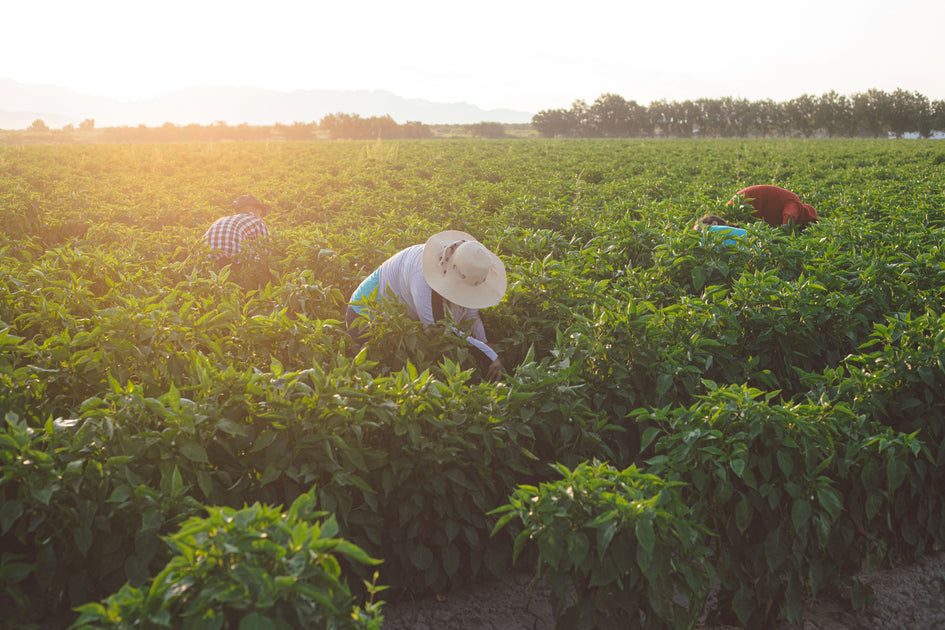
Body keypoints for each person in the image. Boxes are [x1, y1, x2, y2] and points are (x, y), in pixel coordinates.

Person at [347, 230, 507, 381]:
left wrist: (484, 342)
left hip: (401, 314)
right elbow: (437, 329)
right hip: (365, 315)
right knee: (389, 372)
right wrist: (489, 356)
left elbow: (471, 314)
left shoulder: (464, 266)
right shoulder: (423, 280)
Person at [202, 194, 272, 265]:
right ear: (252, 209)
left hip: (205, 260)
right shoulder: (257, 222)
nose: (261, 217)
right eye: (260, 213)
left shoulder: (221, 219)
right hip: (233, 260)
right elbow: (266, 255)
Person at [727, 185, 818, 227]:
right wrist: (786, 234)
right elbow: (790, 215)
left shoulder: (792, 200)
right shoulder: (796, 204)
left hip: (740, 201)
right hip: (743, 203)